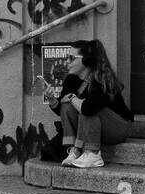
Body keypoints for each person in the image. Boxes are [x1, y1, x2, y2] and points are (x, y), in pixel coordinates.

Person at [47, 39, 134, 169]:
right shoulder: (71, 79)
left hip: (117, 127)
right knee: (68, 106)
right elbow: (64, 111)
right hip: (91, 127)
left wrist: (71, 97)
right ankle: (74, 151)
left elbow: (88, 109)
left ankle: (93, 154)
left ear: (86, 60)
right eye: (66, 58)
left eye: (71, 58)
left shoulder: (102, 79)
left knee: (86, 107)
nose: (67, 62)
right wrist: (52, 101)